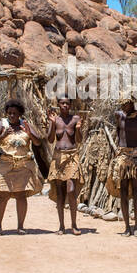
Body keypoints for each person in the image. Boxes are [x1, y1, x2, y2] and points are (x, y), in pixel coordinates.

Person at [0, 99, 43, 235]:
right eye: (9, 113)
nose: (12, 115)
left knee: (21, 195)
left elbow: (37, 142)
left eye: (14, 113)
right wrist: (3, 135)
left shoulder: (25, 124)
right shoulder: (2, 124)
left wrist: (29, 133)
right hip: (4, 165)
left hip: (22, 165)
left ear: (20, 114)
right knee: (2, 195)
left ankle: (20, 226)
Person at [107, 95, 137, 236]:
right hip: (122, 158)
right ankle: (127, 227)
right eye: (121, 104)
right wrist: (115, 150)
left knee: (136, 191)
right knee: (122, 192)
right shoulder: (119, 115)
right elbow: (117, 132)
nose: (123, 107)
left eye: (125, 104)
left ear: (132, 102)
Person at [47, 97, 86, 235]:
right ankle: (61, 226)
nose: (64, 105)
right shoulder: (55, 119)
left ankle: (74, 224)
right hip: (58, 157)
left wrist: (79, 129)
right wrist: (51, 124)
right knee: (60, 192)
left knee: (71, 190)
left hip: (71, 157)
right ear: (58, 104)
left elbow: (79, 140)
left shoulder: (75, 119)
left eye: (67, 103)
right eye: (62, 103)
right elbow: (51, 139)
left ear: (70, 105)